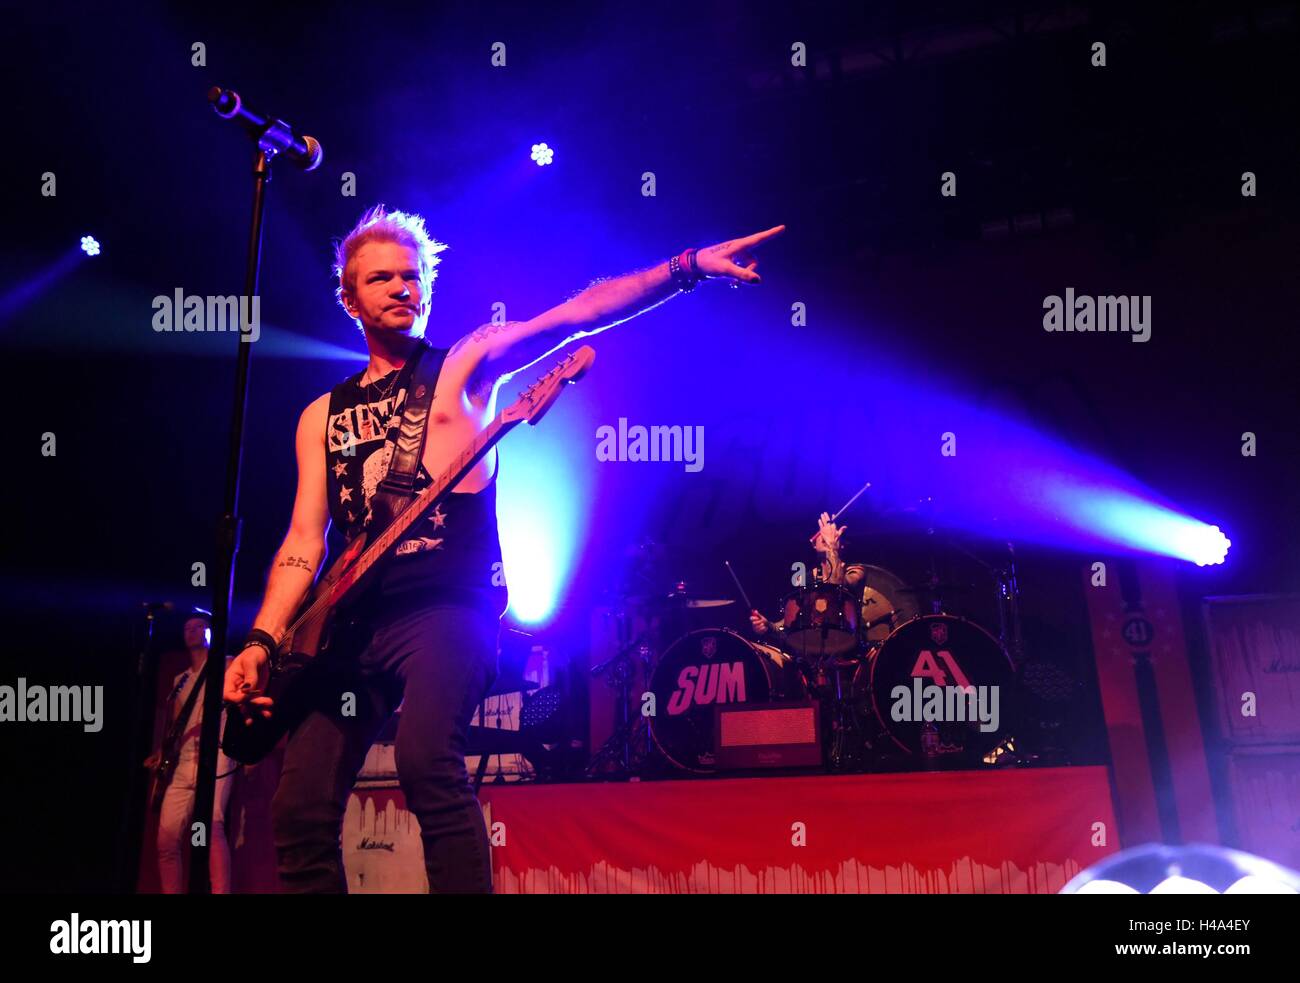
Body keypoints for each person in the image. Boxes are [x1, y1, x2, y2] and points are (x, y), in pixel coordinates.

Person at [223, 205, 784, 893]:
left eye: (411, 276)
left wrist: (686, 267)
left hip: (444, 611)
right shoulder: (321, 417)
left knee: (426, 759)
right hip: (348, 623)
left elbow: (575, 313)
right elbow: (304, 541)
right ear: (349, 298)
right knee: (300, 808)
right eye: (381, 279)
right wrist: (260, 640)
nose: (401, 288)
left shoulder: (464, 368)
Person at [146, 611, 236, 893]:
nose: (192, 632)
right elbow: (175, 723)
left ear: (210, 633)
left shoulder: (227, 665)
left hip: (218, 754)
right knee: (166, 839)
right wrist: (161, 753)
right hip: (184, 760)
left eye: (198, 627)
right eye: (187, 628)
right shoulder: (180, 680)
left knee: (212, 825)